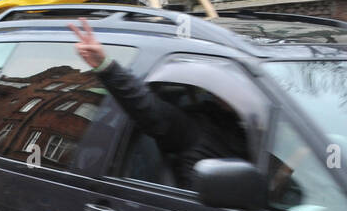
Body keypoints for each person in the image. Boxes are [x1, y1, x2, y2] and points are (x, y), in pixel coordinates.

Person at [69, 18, 249, 189]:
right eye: (221, 86)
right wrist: (106, 67)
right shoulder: (198, 127)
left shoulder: (260, 123)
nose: (225, 91)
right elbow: (149, 109)